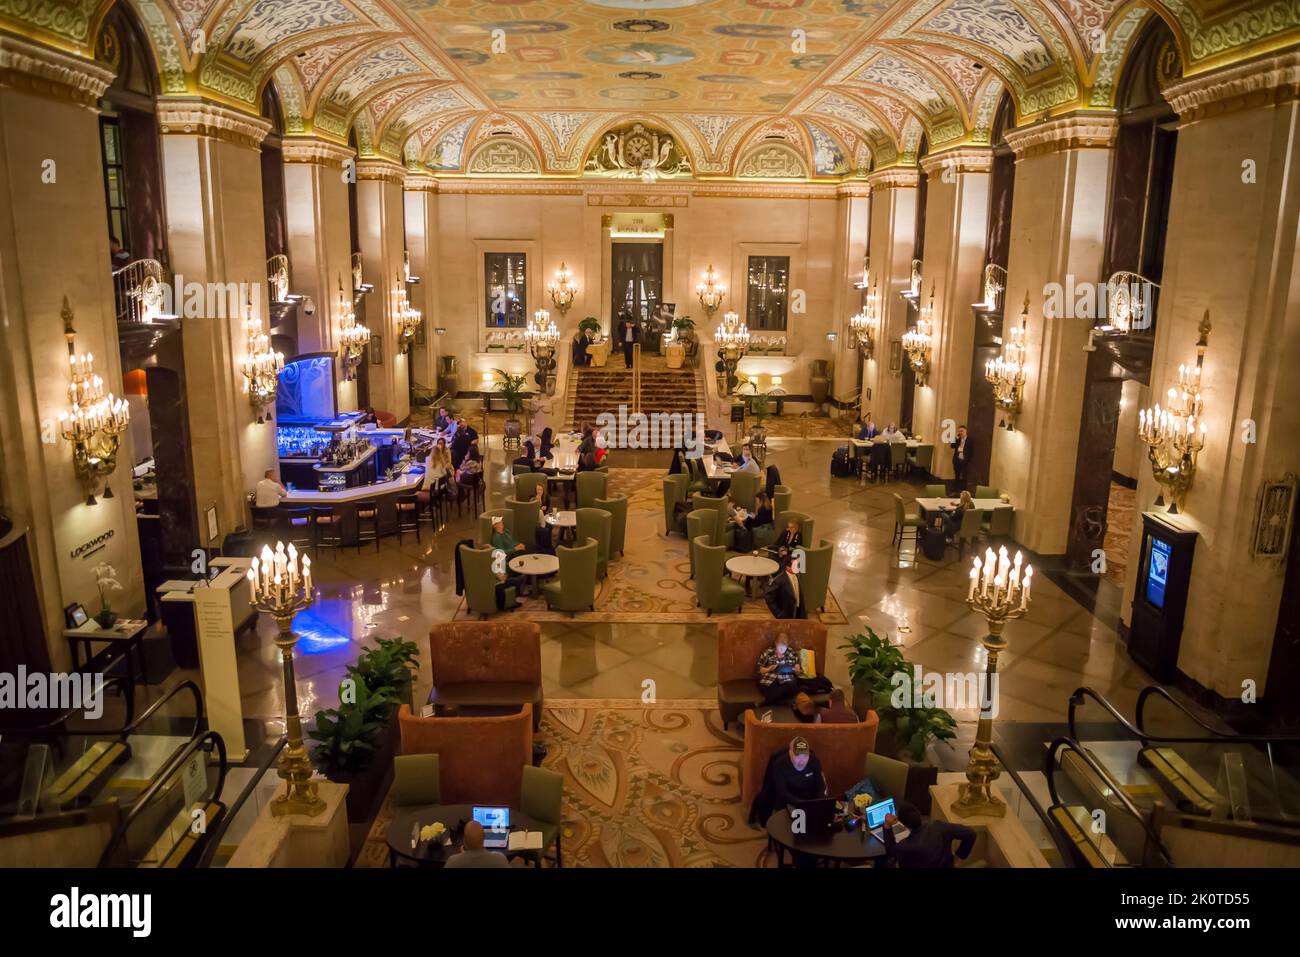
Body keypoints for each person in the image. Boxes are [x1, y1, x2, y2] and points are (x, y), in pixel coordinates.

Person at [749, 736, 827, 826]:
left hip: (809, 802)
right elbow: (782, 792)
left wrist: (819, 803)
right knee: (796, 831)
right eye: (798, 756)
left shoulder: (814, 761)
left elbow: (822, 785)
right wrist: (801, 805)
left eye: (805, 756)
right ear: (790, 753)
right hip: (788, 802)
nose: (802, 762)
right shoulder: (779, 764)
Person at [881, 800, 976, 869]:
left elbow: (890, 850)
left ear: (904, 824)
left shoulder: (906, 845)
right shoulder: (940, 827)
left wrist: (887, 825)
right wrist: (957, 860)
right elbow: (970, 834)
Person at [444, 820, 510, 869]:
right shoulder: (500, 860)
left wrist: (462, 855)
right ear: (484, 837)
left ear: (464, 840)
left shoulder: (453, 862)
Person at [756, 632, 800, 704]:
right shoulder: (767, 652)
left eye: (785, 645)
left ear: (788, 644)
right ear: (776, 643)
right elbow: (759, 669)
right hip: (770, 679)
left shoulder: (791, 652)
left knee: (792, 686)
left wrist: (797, 668)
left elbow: (797, 668)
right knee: (767, 688)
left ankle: (768, 701)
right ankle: (774, 699)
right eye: (780, 645)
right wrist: (769, 669)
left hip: (786, 680)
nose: (782, 648)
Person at [765, 552, 806, 620]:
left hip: (799, 613)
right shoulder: (779, 580)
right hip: (787, 615)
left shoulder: (798, 575)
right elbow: (768, 596)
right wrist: (778, 614)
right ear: (787, 567)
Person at [951, 424, 972, 492]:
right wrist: (955, 438)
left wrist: (968, 460)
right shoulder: (958, 439)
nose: (960, 433)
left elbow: (971, 451)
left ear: (966, 431)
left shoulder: (969, 440)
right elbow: (952, 446)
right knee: (957, 476)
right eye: (959, 431)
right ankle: (955, 490)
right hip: (957, 460)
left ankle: (964, 491)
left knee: (964, 476)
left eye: (962, 431)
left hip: (964, 461)